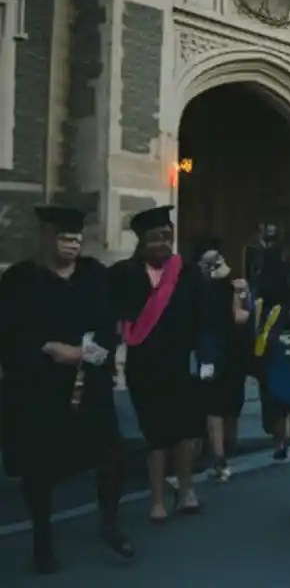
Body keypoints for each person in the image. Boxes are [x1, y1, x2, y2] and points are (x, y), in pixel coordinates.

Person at [0, 206, 134, 573]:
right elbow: (7, 335)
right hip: (37, 391)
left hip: (89, 386)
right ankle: (42, 543)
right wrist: (46, 349)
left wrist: (82, 352)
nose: (73, 244)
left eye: (77, 238)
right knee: (38, 470)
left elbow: (110, 327)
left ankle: (110, 524)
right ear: (46, 238)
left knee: (112, 458)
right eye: (65, 238)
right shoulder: (20, 280)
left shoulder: (94, 277)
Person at [110, 205, 207, 523]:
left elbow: (205, 318)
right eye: (156, 238)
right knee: (155, 436)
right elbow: (112, 316)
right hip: (144, 367)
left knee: (182, 433)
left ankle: (186, 489)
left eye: (168, 237)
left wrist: (206, 358)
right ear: (142, 241)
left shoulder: (188, 274)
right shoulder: (124, 274)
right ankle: (156, 499)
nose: (163, 244)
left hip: (181, 364)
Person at [191, 238, 251, 483]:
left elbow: (241, 318)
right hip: (208, 354)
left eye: (218, 261)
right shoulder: (196, 289)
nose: (214, 267)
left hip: (233, 353)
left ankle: (227, 449)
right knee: (212, 404)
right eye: (209, 264)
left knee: (232, 406)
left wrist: (238, 293)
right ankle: (218, 456)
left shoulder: (236, 286)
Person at [245, 222, 290, 462]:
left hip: (273, 336)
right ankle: (282, 438)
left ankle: (281, 439)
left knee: (273, 397)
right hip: (274, 335)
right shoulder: (271, 263)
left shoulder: (270, 266)